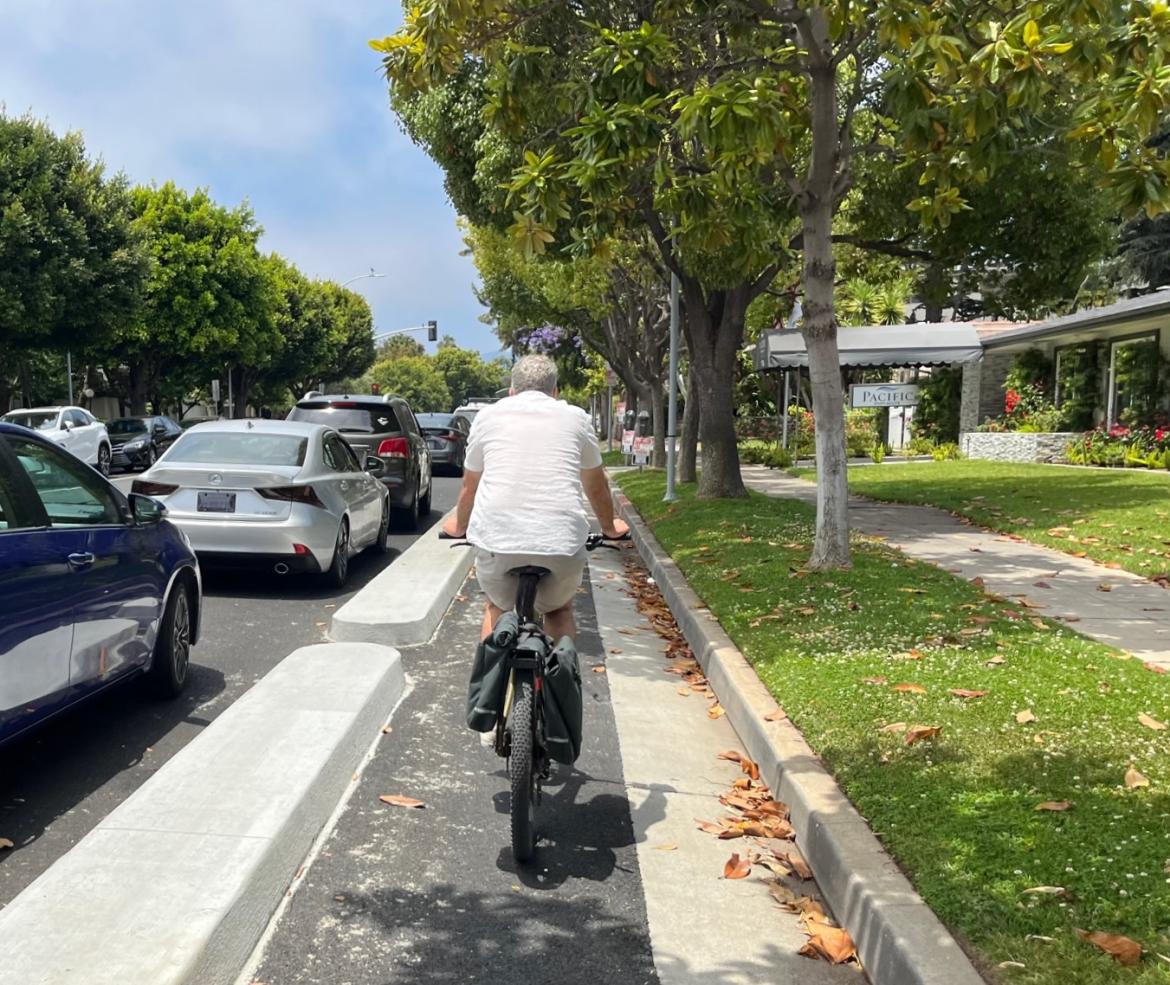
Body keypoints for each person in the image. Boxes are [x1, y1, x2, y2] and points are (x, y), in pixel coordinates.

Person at [442, 354, 629, 643]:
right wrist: (609, 527)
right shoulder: (577, 418)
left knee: (497, 606)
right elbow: (595, 485)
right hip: (560, 543)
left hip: (497, 541)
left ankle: (487, 683)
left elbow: (471, 485)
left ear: (512, 391)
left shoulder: (488, 416)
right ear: (555, 392)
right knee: (558, 610)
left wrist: (458, 526)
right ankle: (561, 682)